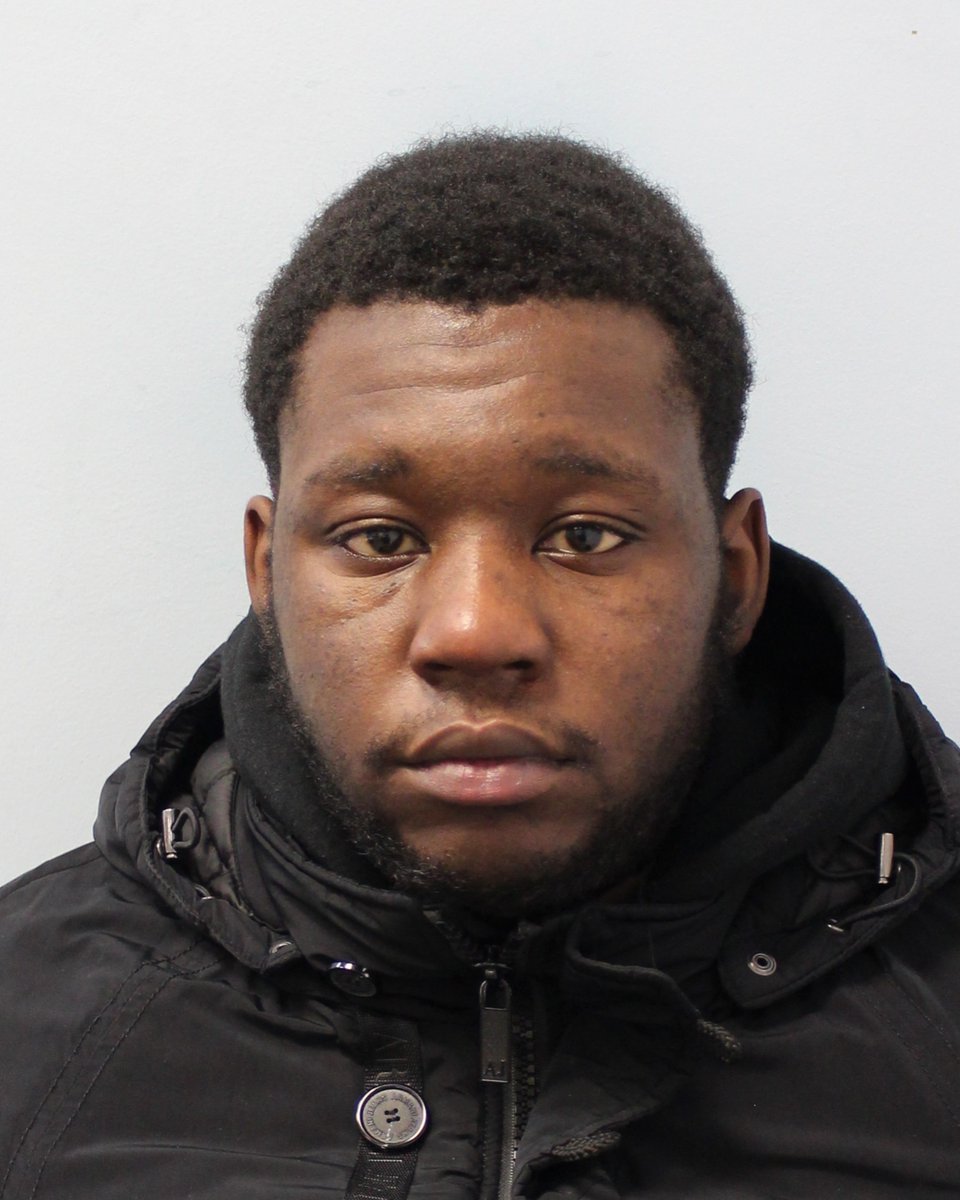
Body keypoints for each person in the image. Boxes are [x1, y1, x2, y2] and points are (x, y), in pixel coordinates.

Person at [1, 132, 957, 1200]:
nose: (473, 633)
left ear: (735, 577)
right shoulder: (25, 1034)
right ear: (267, 573)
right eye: (380, 538)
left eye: (585, 536)